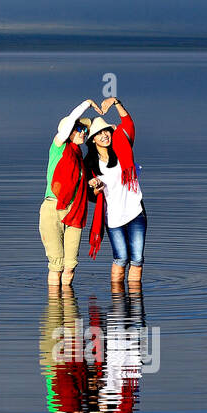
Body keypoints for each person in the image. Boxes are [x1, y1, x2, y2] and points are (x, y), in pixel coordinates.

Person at [84, 97, 145, 287]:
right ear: (93, 140)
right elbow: (90, 195)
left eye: (106, 131)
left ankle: (135, 300)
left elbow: (128, 124)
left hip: (135, 211)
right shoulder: (90, 164)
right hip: (113, 217)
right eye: (99, 133)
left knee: (137, 259)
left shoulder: (121, 146)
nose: (104, 135)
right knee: (121, 258)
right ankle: (117, 299)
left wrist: (115, 102)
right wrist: (96, 188)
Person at [39, 99, 96, 288]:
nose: (83, 133)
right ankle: (55, 305)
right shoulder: (58, 147)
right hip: (53, 208)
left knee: (70, 266)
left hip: (75, 211)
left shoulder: (79, 157)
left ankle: (69, 304)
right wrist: (86, 104)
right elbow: (71, 120)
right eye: (79, 129)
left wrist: (91, 182)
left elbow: (76, 184)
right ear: (69, 131)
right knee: (56, 266)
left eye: (85, 130)